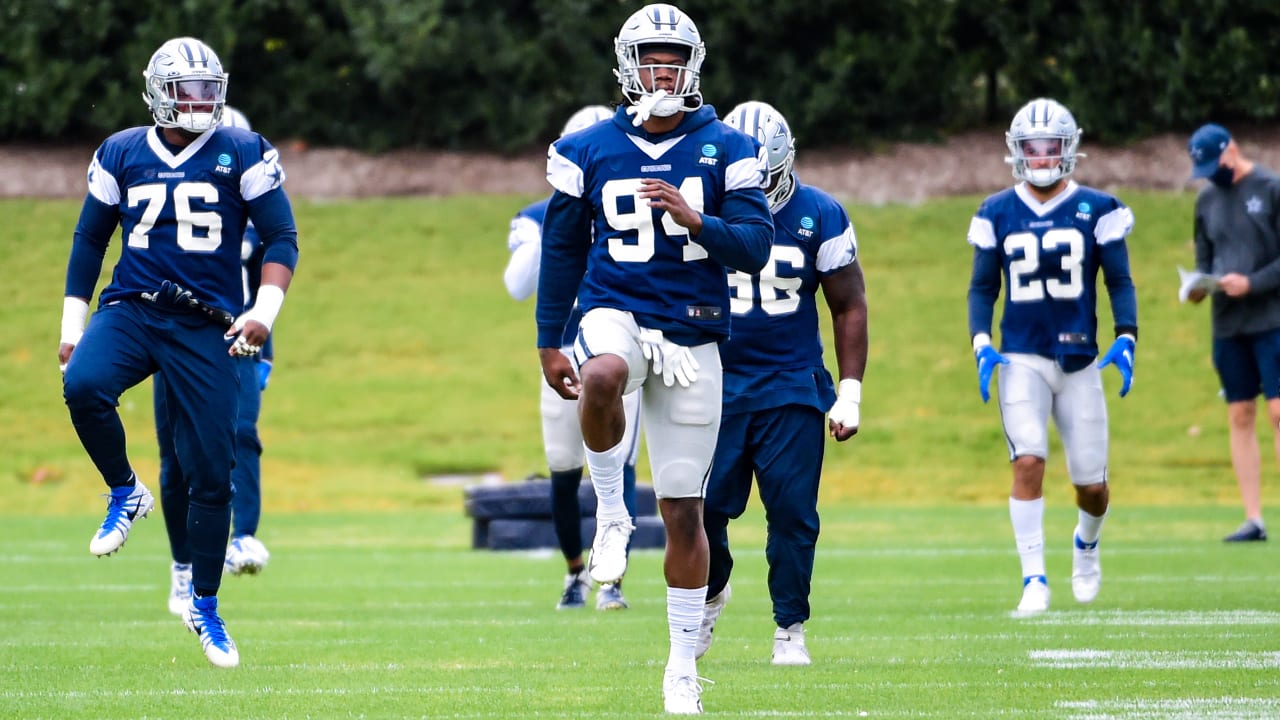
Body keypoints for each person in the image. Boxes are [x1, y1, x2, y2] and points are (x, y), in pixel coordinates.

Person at [535, 4, 773, 713]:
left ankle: (680, 667)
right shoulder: (586, 148)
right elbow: (561, 249)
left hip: (693, 335)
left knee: (684, 511)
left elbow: (756, 247)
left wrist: (698, 220)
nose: (661, 72)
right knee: (603, 374)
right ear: (626, 65)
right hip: (615, 312)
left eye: (672, 60)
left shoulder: (728, 147)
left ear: (693, 65)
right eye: (649, 59)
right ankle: (611, 511)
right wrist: (549, 338)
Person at [58, 37, 299, 668]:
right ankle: (124, 491)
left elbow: (281, 236)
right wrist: (72, 324)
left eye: (208, 89)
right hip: (134, 308)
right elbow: (89, 240)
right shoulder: (121, 151)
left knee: (212, 471)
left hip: (205, 325)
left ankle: (205, 606)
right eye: (186, 90)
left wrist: (263, 312)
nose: (199, 101)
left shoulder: (242, 149)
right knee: (83, 384)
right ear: (158, 93)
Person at [695, 101, 867, 667]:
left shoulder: (819, 212)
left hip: (791, 383)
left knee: (792, 513)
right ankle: (711, 592)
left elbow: (848, 304)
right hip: (714, 382)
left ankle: (789, 627)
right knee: (701, 510)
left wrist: (850, 391)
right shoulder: (704, 205)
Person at [966, 98, 1137, 616]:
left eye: (1050, 148)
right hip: (1021, 357)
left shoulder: (1099, 208)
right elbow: (982, 287)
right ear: (1017, 151)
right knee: (1028, 460)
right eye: (1032, 148)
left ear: (1069, 149)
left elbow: (1119, 281)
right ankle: (1034, 580)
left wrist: (1127, 335)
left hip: (1081, 361)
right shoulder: (996, 211)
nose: (1041, 157)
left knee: (1093, 487)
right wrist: (981, 342)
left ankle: (1086, 545)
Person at [504, 104, 643, 611]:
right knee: (564, 467)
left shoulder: (637, 206)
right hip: (564, 350)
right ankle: (574, 573)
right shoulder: (537, 216)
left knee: (620, 463)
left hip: (623, 349)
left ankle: (613, 579)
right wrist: (559, 231)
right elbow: (517, 285)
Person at [159, 105, 276, 617]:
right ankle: (183, 565)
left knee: (242, 433)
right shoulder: (169, 203)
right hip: (174, 335)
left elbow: (269, 281)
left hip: (237, 334)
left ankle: (243, 536)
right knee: (175, 457)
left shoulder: (258, 213)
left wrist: (267, 349)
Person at [1185, 123, 1280, 542]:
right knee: (1240, 413)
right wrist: (1198, 288)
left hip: (1272, 319)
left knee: (1278, 412)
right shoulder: (1206, 200)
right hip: (1228, 324)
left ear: (1232, 151)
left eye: (1214, 165)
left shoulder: (1271, 189)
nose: (1211, 175)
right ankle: (1253, 519)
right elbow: (1205, 261)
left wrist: (1252, 283)